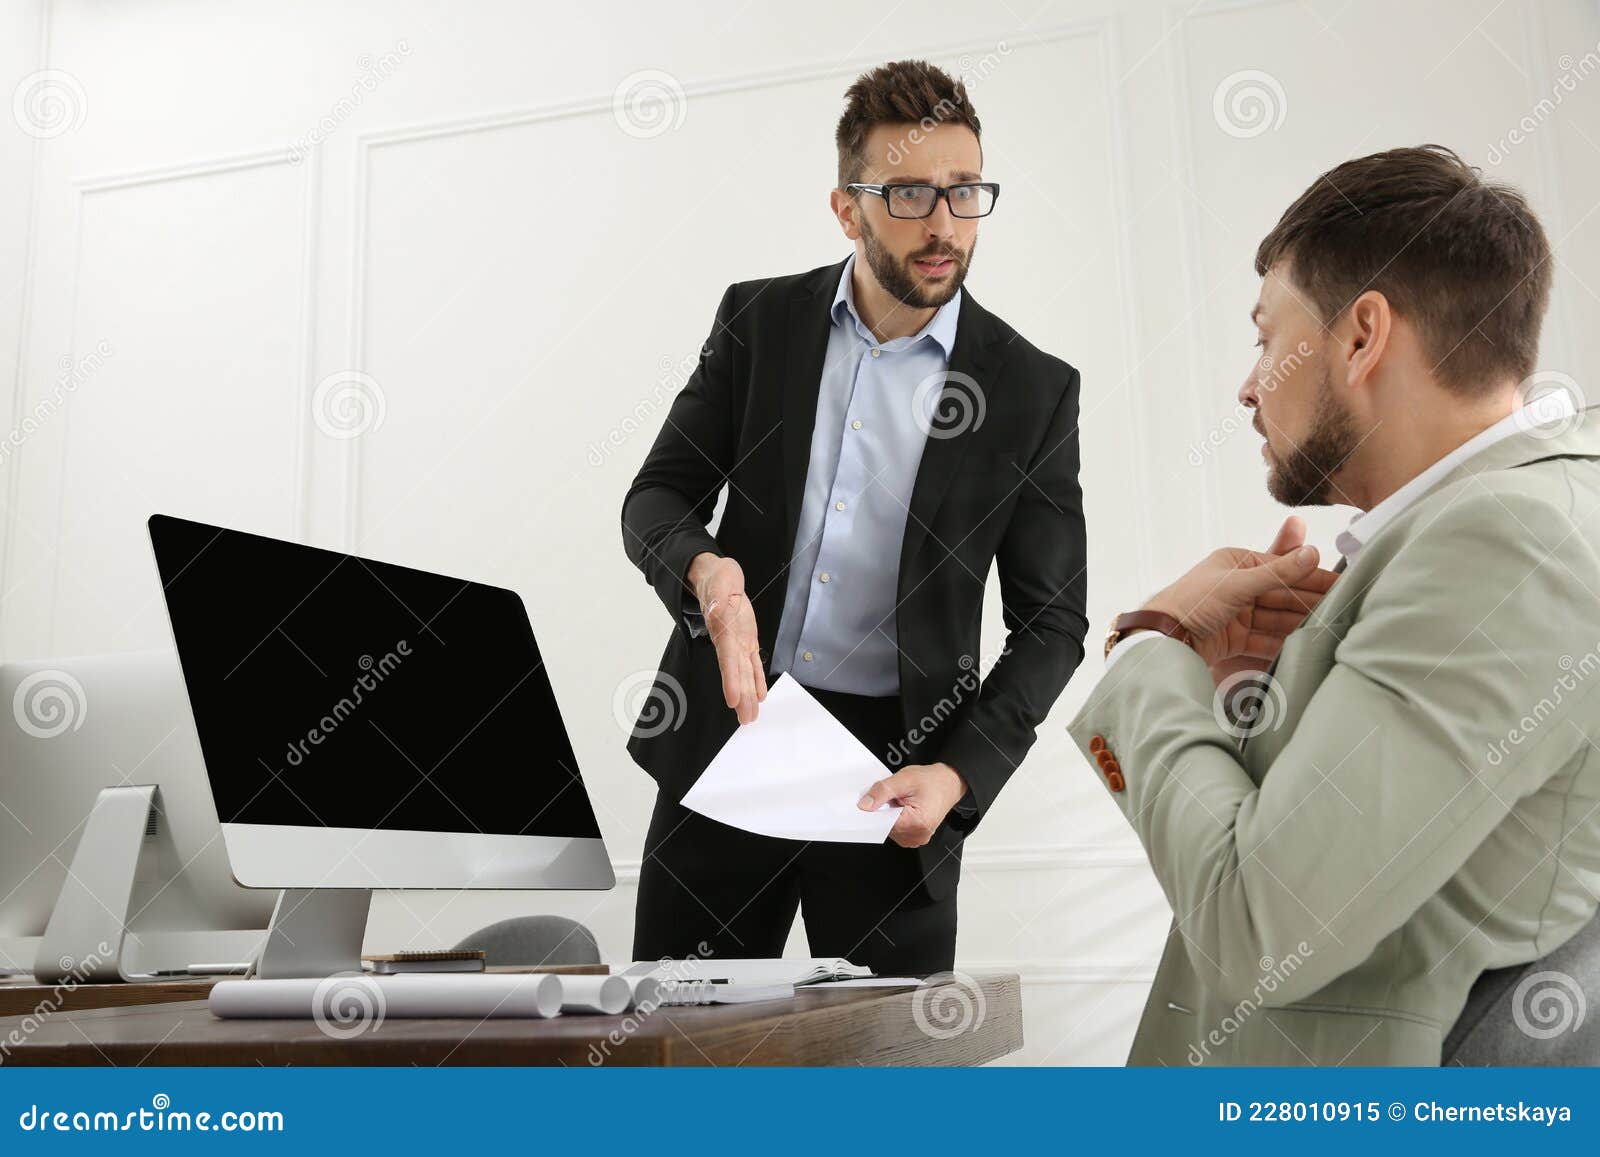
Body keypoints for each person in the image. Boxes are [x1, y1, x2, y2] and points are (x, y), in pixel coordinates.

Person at [1071, 144, 1600, 1064]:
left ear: (1362, 336)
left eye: (1267, 337)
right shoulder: (1506, 521)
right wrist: (1243, 690)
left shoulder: (1508, 545)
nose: (1247, 384)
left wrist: (1151, 641)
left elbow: (1257, 926)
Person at [621, 60, 1087, 975]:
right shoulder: (758, 324)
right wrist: (707, 573)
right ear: (848, 208)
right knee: (671, 1071)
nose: (944, 224)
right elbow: (656, 498)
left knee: (887, 1090)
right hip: (730, 744)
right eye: (911, 193)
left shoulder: (1033, 390)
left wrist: (958, 776)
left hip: (899, 779)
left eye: (965, 192)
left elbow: (1054, 623)